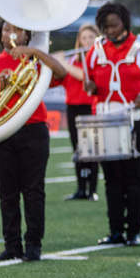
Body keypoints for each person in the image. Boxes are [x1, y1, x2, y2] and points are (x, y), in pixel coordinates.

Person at [0, 19, 66, 262]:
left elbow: (61, 74)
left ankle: (33, 244)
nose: (12, 34)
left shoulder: (36, 60)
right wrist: (1, 82)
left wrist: (35, 52)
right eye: (7, 29)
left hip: (34, 129)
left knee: (33, 189)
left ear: (28, 35)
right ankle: (12, 244)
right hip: (3, 131)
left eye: (17, 29)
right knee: (7, 192)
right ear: (0, 34)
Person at [84, 2, 140, 247]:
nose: (111, 31)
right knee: (112, 179)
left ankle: (133, 231)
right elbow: (90, 83)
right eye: (105, 27)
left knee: (135, 177)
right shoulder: (95, 50)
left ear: (124, 23)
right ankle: (115, 230)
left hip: (135, 121)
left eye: (114, 26)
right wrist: (90, 87)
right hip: (105, 120)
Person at [61, 24, 100, 202]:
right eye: (84, 38)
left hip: (90, 108)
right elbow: (61, 77)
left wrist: (61, 62)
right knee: (78, 149)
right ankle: (80, 188)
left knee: (91, 150)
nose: (87, 41)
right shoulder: (72, 61)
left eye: (91, 38)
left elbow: (84, 76)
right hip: (73, 108)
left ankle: (91, 189)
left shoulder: (98, 60)